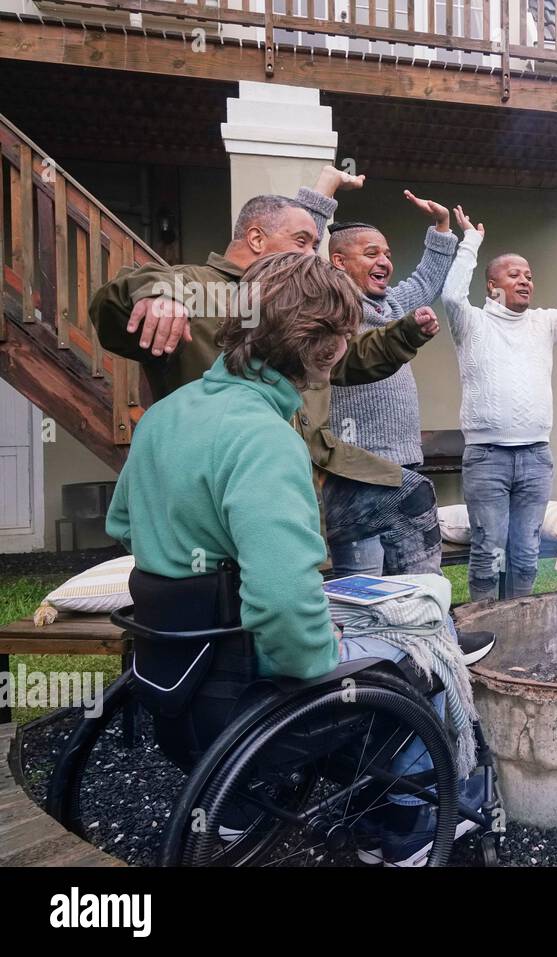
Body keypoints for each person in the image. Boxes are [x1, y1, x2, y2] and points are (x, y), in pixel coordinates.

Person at [105, 252, 468, 867]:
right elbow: (281, 610)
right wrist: (326, 657)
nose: (348, 345)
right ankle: (407, 830)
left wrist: (206, 568)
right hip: (245, 700)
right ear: (321, 348)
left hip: (171, 682)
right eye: (344, 335)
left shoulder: (165, 415)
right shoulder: (266, 438)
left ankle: (234, 813)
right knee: (426, 649)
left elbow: (123, 526)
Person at [88, 167, 442, 562]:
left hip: (318, 466)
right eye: (303, 242)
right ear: (256, 238)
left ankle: (411, 618)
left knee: (411, 496)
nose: (312, 256)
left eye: (315, 246)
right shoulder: (196, 287)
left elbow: (344, 359)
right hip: (234, 472)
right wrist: (154, 293)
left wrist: (404, 334)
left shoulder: (298, 299)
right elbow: (112, 304)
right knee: (285, 569)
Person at [440, 206, 557, 602]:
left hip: (535, 456)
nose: (525, 281)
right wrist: (471, 243)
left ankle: (519, 626)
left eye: (529, 275)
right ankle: (485, 627)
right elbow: (450, 293)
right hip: (487, 457)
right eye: (514, 274)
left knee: (528, 555)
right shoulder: (471, 323)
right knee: (488, 553)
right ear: (491, 285)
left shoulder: (543, 323)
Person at [324, 187, 460, 577]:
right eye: (371, 254)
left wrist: (440, 227)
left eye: (386, 254)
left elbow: (426, 281)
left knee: (409, 574)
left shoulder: (392, 303)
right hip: (356, 467)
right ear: (338, 262)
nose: (384, 260)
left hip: (403, 459)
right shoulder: (332, 304)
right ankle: (361, 633)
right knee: (363, 579)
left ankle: (412, 631)